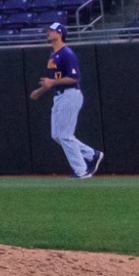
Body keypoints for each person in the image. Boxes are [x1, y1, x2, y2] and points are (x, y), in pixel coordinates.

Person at [31, 23, 101, 178]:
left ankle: (81, 170)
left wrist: (52, 83)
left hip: (70, 94)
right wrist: (41, 90)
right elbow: (53, 80)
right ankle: (92, 154)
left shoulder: (66, 53)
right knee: (56, 135)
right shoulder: (53, 55)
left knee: (65, 135)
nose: (48, 33)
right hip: (60, 96)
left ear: (60, 33)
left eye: (51, 31)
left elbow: (74, 78)